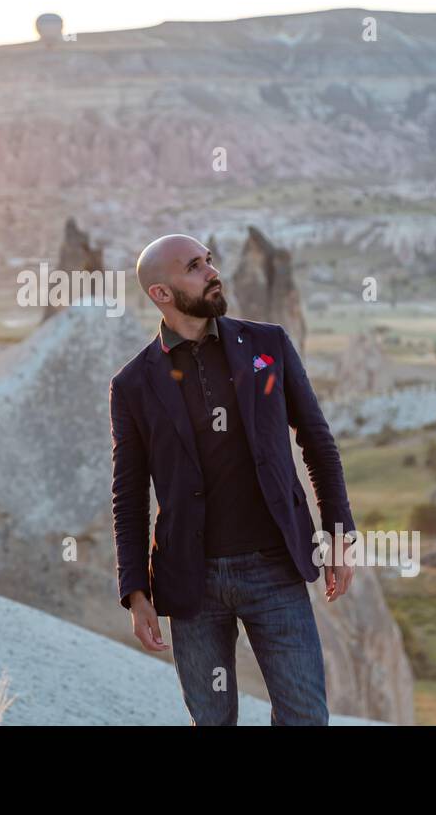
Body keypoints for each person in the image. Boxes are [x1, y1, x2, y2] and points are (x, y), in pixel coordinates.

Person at [109, 233, 356, 724]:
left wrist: (339, 534)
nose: (211, 272)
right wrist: (136, 591)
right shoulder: (133, 384)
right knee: (213, 720)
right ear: (161, 293)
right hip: (191, 582)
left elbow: (317, 442)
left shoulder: (269, 345)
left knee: (306, 716)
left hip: (276, 569)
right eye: (194, 267)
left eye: (209, 260)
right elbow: (129, 493)